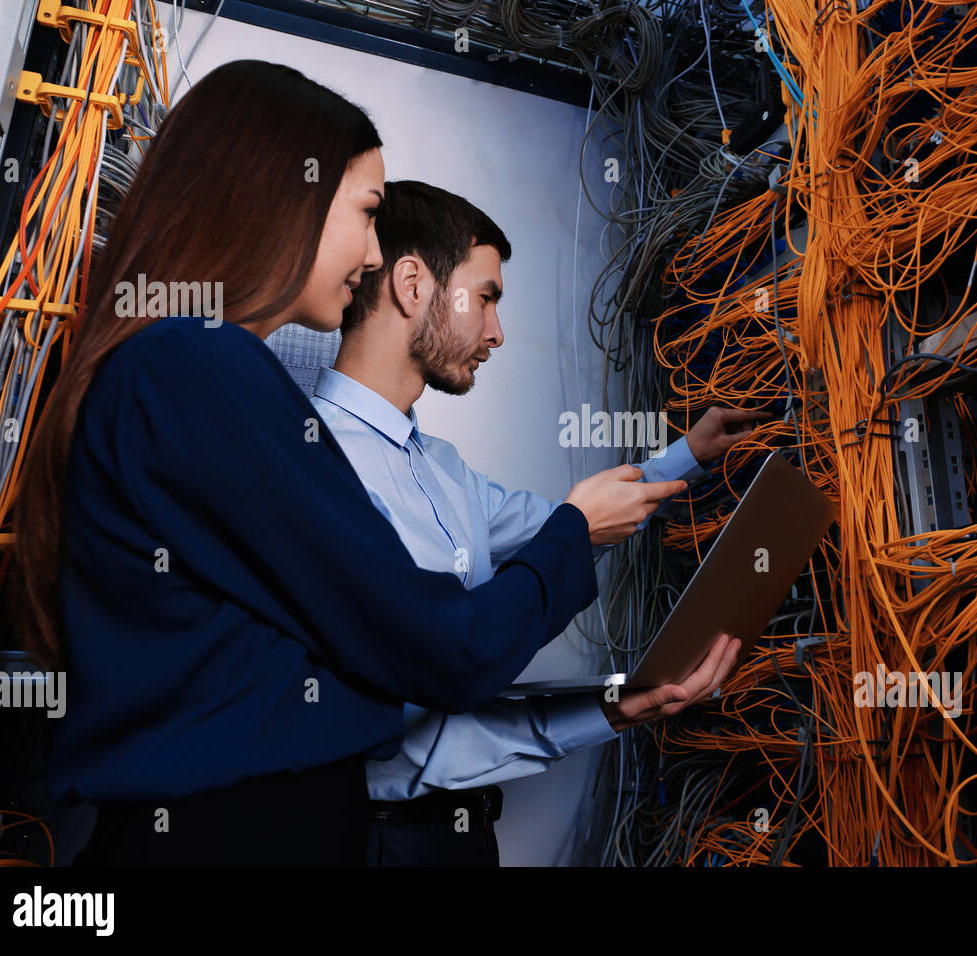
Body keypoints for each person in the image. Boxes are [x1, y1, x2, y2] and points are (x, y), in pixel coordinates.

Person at [8, 59, 718, 866]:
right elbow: (443, 648)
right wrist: (573, 540)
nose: (374, 253)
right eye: (367, 213)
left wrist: (670, 473)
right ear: (283, 196)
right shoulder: (195, 365)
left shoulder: (181, 370)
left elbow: (389, 664)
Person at [297, 180, 762, 865]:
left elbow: (567, 532)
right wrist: (611, 707)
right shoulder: (314, 464)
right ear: (413, 284)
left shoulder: (444, 468)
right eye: (485, 297)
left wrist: (688, 454)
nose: (497, 332)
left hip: (462, 837)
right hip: (376, 843)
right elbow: (426, 696)